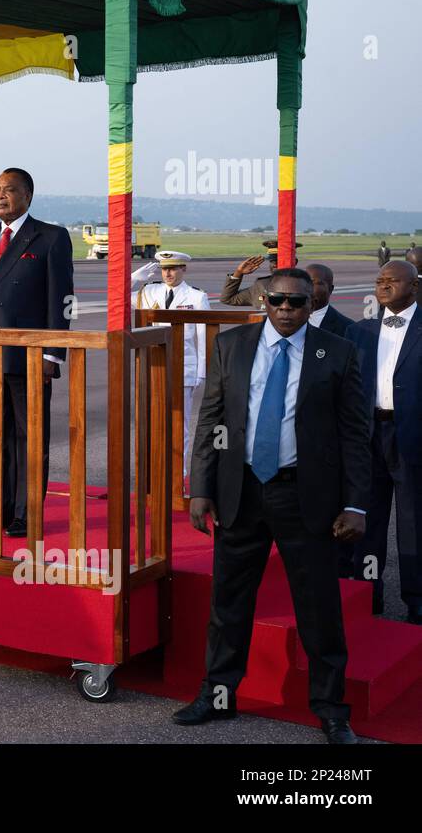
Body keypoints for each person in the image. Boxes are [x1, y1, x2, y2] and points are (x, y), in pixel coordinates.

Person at [177, 269, 370, 744]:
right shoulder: (233, 345)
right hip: (239, 493)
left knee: (319, 609)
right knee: (228, 603)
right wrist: (200, 486)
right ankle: (218, 695)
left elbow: (354, 435)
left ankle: (331, 710)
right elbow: (212, 418)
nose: (286, 309)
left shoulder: (337, 352)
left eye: (297, 302)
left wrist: (356, 504)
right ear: (264, 299)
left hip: (306, 496)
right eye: (278, 300)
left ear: (311, 304)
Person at [0, 168, 74, 537]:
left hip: (29, 357)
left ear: (28, 195)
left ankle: (27, 512)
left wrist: (52, 355)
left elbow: (62, 300)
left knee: (29, 437)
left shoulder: (51, 237)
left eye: (9, 190)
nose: (0, 196)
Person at [349, 260, 422, 623]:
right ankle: (369, 592)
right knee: (368, 521)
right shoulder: (361, 331)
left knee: (413, 522)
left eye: (392, 281)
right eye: (379, 280)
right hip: (369, 435)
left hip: (410, 435)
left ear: (414, 286)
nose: (383, 285)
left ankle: (416, 599)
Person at [131, 250, 209, 477]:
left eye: (173, 268)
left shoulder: (196, 297)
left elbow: (204, 336)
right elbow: (116, 294)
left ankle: (177, 472)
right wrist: (137, 277)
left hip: (183, 367)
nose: (168, 273)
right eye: (164, 269)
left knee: (178, 423)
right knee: (153, 420)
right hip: (152, 366)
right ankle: (155, 468)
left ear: (184, 269)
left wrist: (202, 372)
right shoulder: (148, 291)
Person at [221, 239, 301, 308]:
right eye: (272, 261)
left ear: (294, 262)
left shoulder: (303, 285)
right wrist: (238, 273)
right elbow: (228, 299)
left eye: (279, 261)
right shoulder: (261, 286)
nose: (274, 264)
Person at [306, 263, 355, 337]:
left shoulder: (348, 328)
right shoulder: (287, 320)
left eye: (316, 283)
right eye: (305, 282)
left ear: (330, 289)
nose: (308, 288)